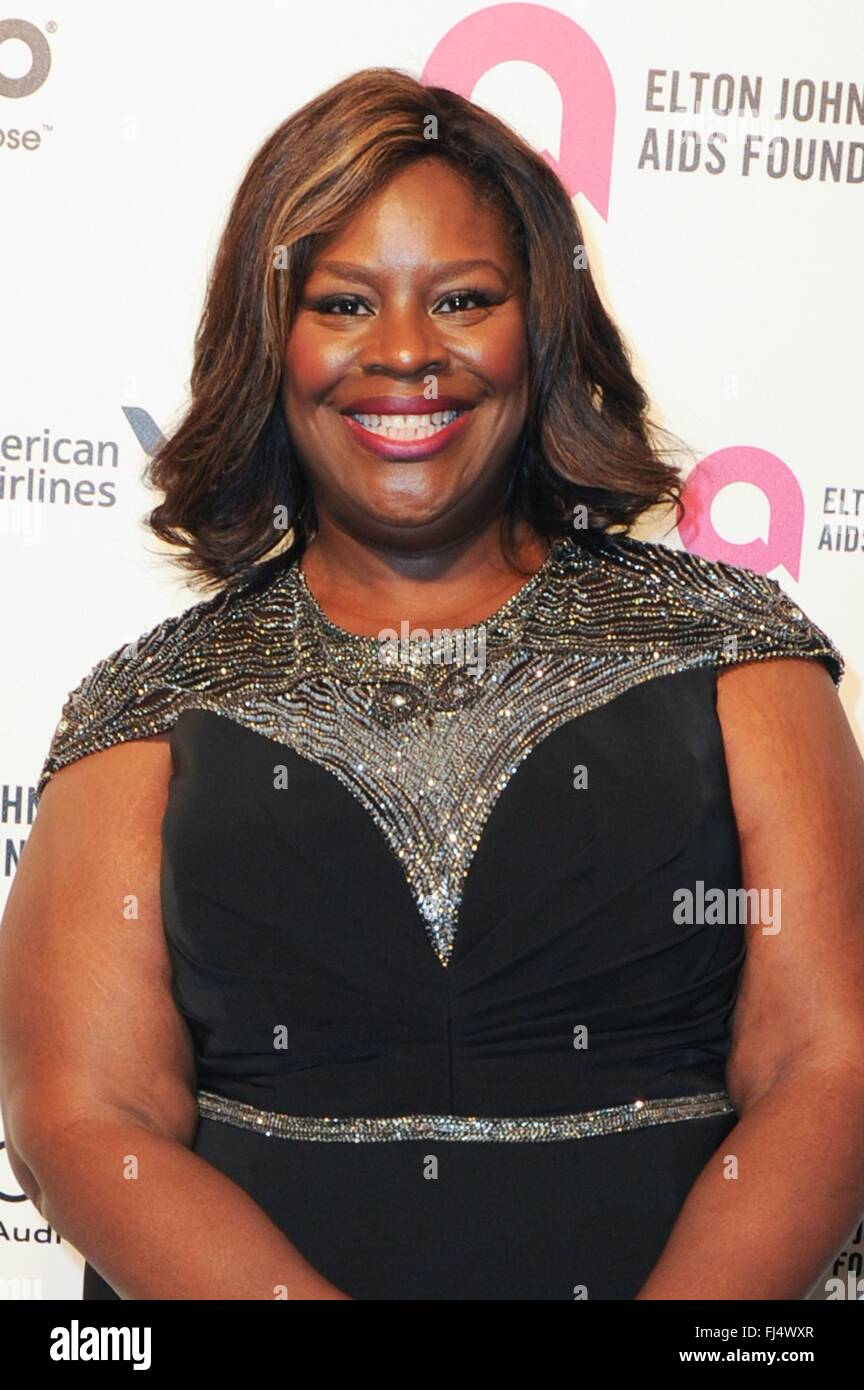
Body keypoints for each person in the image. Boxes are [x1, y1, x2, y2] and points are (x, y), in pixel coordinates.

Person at [1, 67, 863, 1302]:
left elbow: (829, 1066)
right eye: (345, 304)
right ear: (272, 341)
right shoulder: (148, 707)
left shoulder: (738, 655)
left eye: (463, 298)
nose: (406, 353)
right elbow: (85, 1120)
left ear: (542, 326)